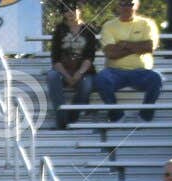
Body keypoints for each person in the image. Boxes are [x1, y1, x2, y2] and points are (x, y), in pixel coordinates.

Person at [95, 0, 163, 123]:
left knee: (156, 79)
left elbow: (150, 47)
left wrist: (124, 44)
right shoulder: (108, 25)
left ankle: (145, 116)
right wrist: (138, 48)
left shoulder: (147, 24)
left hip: (142, 72)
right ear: (118, 6)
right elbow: (110, 53)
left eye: (130, 3)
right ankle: (117, 116)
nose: (126, 7)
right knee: (101, 78)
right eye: (123, 3)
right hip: (114, 72)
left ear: (137, 5)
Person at [48, 1, 99, 130]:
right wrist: (66, 75)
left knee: (87, 84)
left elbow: (90, 56)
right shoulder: (59, 30)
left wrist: (79, 73)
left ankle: (71, 117)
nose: (70, 12)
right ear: (63, 14)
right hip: (63, 69)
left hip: (83, 70)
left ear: (79, 10)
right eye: (66, 10)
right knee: (52, 76)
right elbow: (55, 58)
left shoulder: (88, 29)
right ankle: (61, 119)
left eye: (73, 9)